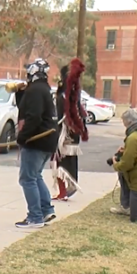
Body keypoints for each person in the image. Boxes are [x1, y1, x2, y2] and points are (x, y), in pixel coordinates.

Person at [14, 58, 59, 229]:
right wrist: (20, 93)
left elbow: (33, 117)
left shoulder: (36, 90)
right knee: (35, 175)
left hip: (37, 140)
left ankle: (35, 217)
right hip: (47, 140)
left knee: (27, 178)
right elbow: (26, 109)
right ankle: (46, 209)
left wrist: (22, 137)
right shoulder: (43, 89)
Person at [51, 58, 89, 201]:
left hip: (66, 134)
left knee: (62, 161)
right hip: (68, 132)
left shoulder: (67, 96)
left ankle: (65, 190)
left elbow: (73, 114)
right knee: (61, 161)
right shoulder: (70, 94)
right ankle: (64, 190)